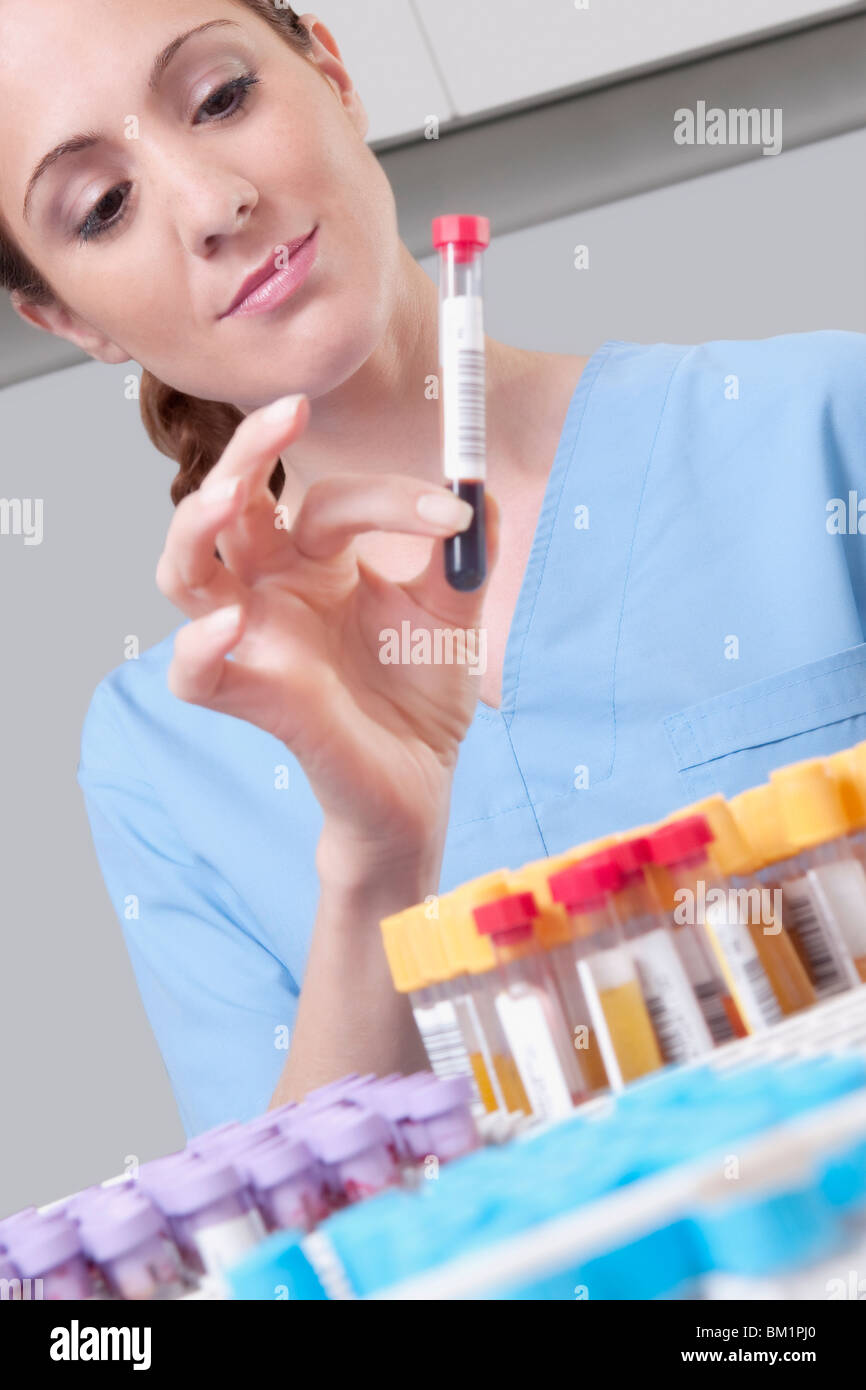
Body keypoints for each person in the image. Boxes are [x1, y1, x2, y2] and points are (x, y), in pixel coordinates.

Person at [3, 0, 866, 1137]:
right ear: (67, 319)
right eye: (103, 206)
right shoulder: (161, 749)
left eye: (223, 98)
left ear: (333, 73)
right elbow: (301, 1250)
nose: (215, 204)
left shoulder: (821, 426)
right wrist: (376, 858)